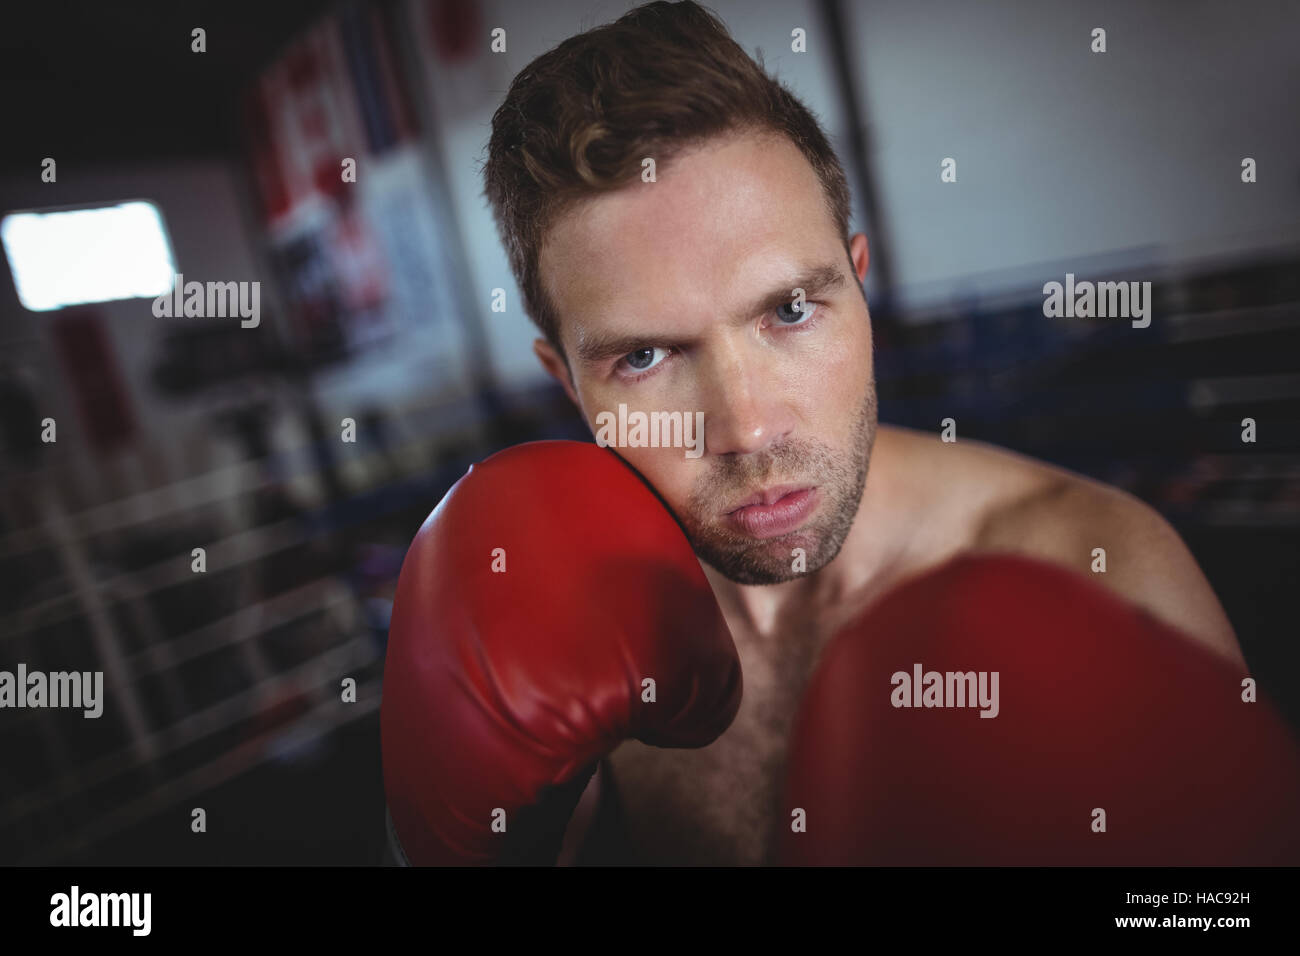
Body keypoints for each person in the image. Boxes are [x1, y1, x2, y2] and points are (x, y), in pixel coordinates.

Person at [381, 1, 1296, 866]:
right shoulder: (566, 615)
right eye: (647, 356)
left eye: (788, 310)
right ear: (568, 384)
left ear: (858, 286)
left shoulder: (1105, 569)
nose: (747, 428)